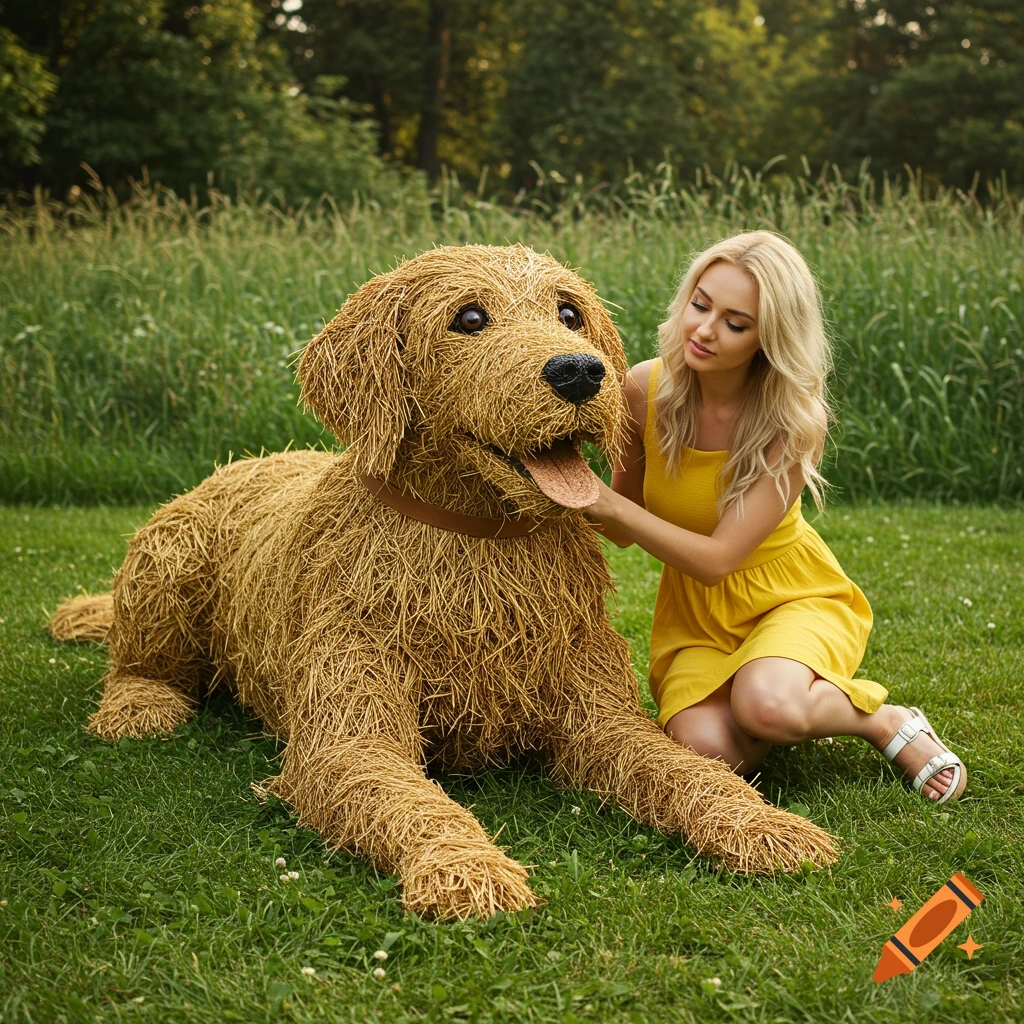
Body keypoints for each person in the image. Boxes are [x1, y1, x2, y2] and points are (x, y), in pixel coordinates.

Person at [582, 230, 966, 804]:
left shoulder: (791, 420)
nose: (705, 331)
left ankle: (879, 720)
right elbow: (619, 526)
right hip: (697, 615)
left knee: (770, 706)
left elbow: (717, 560)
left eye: (736, 323)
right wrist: (559, 478)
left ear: (770, 338)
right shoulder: (643, 389)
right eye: (700, 304)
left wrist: (607, 504)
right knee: (708, 752)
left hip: (786, 594)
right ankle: (768, 704)